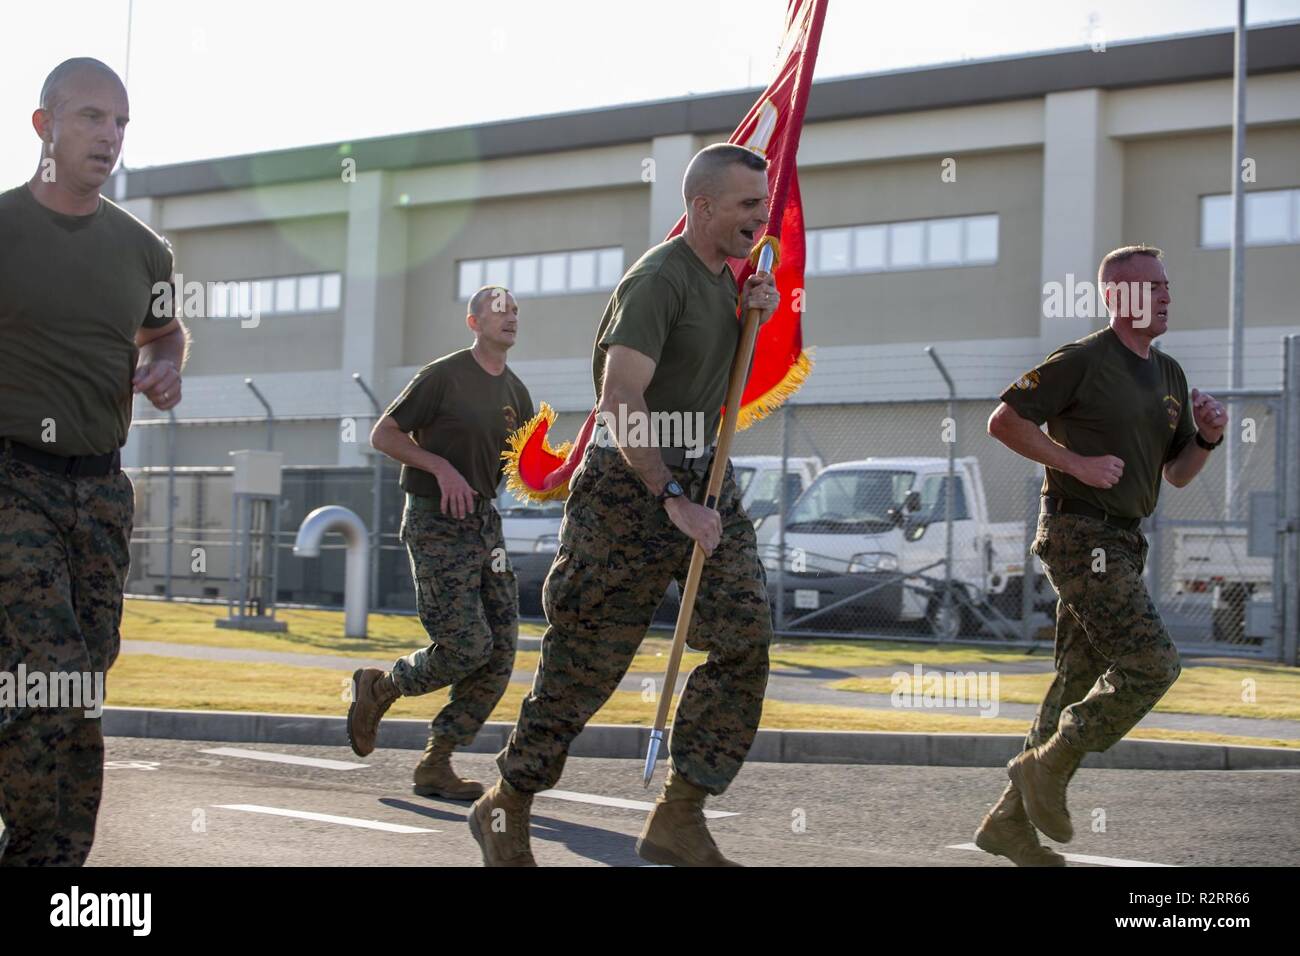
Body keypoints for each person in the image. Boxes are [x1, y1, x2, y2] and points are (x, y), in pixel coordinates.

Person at [468, 143, 781, 867]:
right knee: (587, 661)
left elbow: (708, 377)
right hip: (632, 489)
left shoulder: (729, 279)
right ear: (701, 207)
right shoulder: (659, 279)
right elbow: (620, 399)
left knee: (744, 637)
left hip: (706, 477)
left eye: (762, 206)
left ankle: (680, 814)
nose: (760, 218)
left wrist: (752, 314)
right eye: (745, 206)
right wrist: (669, 495)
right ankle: (506, 801)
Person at [974, 244, 1227, 865]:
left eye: (1168, 285)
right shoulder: (1084, 360)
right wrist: (1075, 462)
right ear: (1117, 297)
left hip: (1125, 540)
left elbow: (1178, 474)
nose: (1167, 295)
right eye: (1153, 286)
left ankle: (1009, 824)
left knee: (1077, 683)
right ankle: (1045, 768)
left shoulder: (1168, 374)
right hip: (1079, 535)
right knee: (1152, 663)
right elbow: (1004, 421)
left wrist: (1211, 437)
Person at [0, 58, 188, 865]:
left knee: (82, 692)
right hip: (13, 482)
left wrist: (170, 365)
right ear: (43, 125)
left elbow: (165, 332)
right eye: (89, 118)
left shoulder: (142, 250)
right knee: (52, 674)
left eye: (119, 123)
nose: (108, 137)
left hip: (102, 492)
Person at [347, 286, 533, 802]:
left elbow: (518, 467)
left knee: (500, 653)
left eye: (516, 310)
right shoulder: (443, 376)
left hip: (484, 527)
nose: (510, 316)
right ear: (474, 322)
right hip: (435, 524)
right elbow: (383, 435)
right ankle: (381, 687)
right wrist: (440, 466)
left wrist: (552, 473)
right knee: (467, 645)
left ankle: (437, 762)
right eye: (500, 309)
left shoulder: (516, 394)